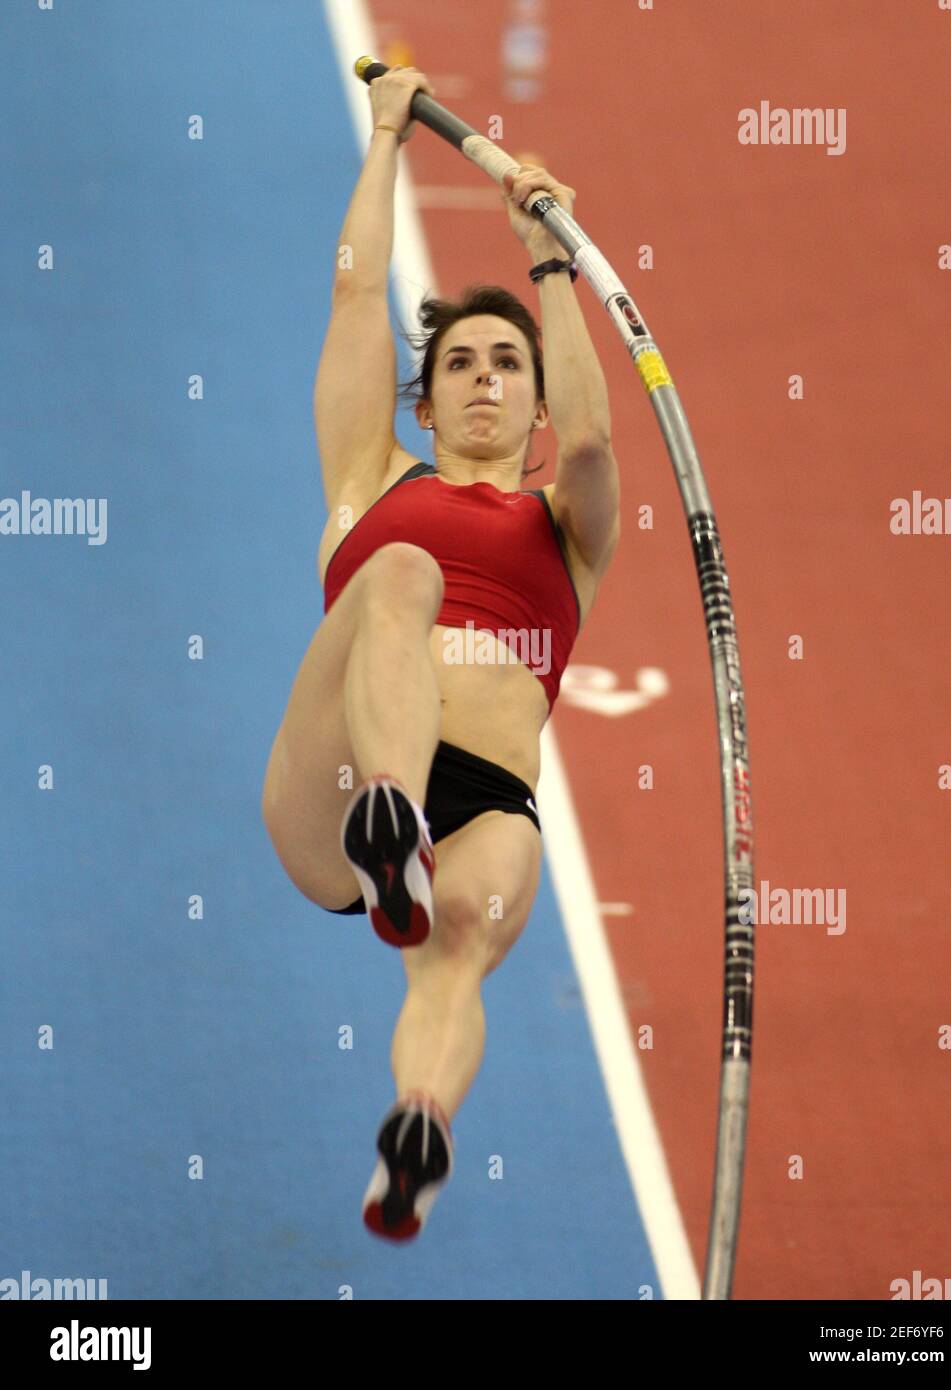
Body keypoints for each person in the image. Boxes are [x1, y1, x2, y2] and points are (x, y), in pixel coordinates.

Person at [261, 66, 620, 1240]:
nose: (482, 379)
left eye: (505, 366)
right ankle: (392, 824)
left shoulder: (564, 536)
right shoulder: (374, 482)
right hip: (343, 783)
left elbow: (601, 444)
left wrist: (547, 259)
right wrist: (382, 134)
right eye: (460, 362)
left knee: (460, 941)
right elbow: (355, 294)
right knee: (403, 574)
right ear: (425, 404)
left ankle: (415, 1133)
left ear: (532, 410)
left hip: (484, 803)